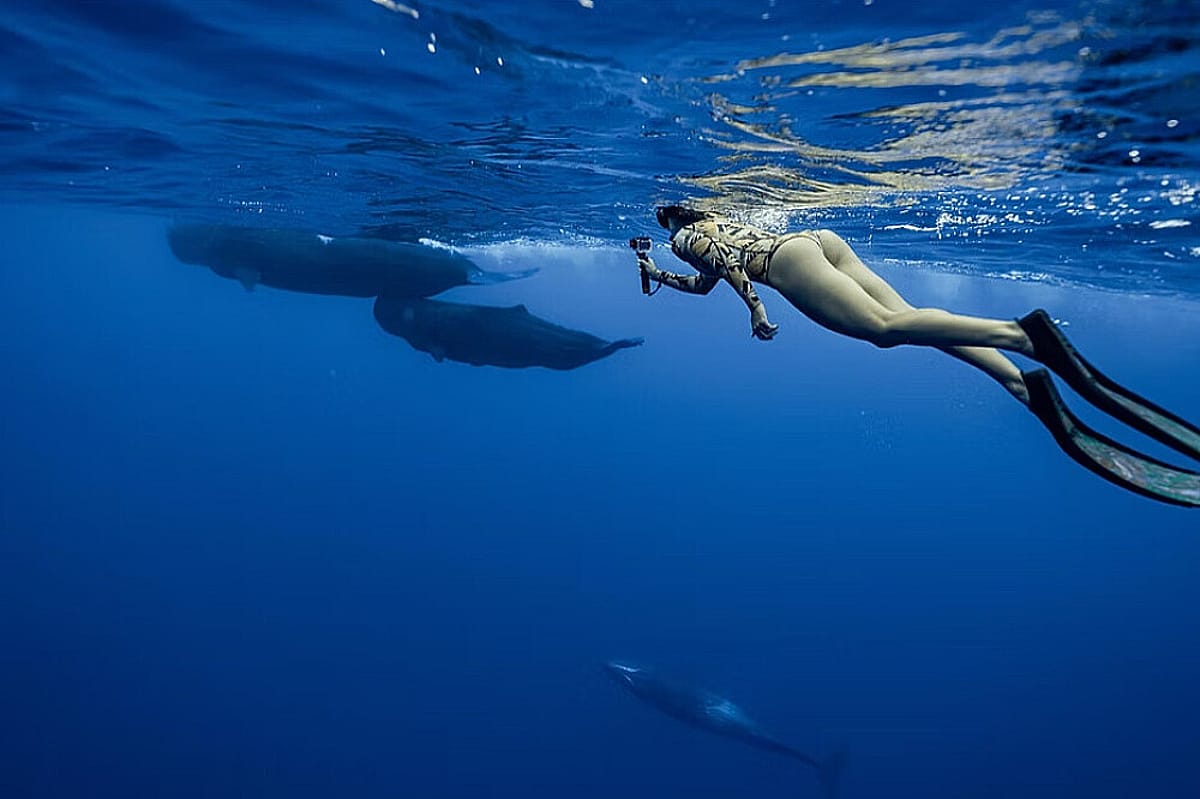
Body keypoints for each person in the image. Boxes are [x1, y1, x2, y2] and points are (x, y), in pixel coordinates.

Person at [634, 204, 1200, 507]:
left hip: (781, 266)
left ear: (669, 219)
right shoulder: (714, 219)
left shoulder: (684, 235)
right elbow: (705, 282)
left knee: (884, 330)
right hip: (816, 242)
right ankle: (1019, 383)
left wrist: (755, 309)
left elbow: (727, 266)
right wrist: (656, 275)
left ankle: (1024, 338)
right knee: (910, 319)